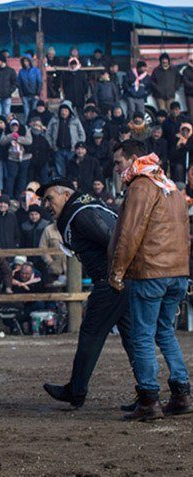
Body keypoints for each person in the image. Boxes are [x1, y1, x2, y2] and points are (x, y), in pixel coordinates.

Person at [109, 139, 191, 420]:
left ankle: (148, 399)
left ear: (133, 159)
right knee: (165, 331)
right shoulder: (171, 186)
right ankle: (181, 393)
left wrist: (117, 271)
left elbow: (130, 233)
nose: (116, 169)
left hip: (150, 272)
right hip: (177, 272)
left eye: (119, 162)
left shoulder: (141, 186)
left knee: (142, 335)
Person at [37, 179, 131, 408]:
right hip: (123, 280)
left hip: (111, 282)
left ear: (66, 195)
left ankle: (76, 391)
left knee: (91, 333)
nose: (46, 205)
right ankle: (149, 394)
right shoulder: (87, 208)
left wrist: (115, 276)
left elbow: (113, 239)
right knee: (132, 337)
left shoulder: (80, 214)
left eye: (49, 198)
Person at [46, 101, 85, 179]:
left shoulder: (75, 120)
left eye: (66, 111)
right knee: (60, 171)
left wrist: (78, 146)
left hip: (71, 150)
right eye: (62, 110)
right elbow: (48, 133)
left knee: (71, 169)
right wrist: (51, 144)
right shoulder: (54, 119)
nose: (64, 112)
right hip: (58, 149)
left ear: (69, 111)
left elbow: (82, 134)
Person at [1, 118, 32, 198]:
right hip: (12, 158)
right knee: (11, 177)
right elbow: (2, 141)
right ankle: (9, 196)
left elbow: (29, 141)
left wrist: (18, 138)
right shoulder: (6, 130)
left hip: (25, 157)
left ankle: (20, 196)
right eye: (12, 126)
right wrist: (11, 136)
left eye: (16, 126)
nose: (14, 127)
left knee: (22, 177)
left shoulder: (24, 129)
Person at [0, 51, 17, 118]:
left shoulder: (11, 71)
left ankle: (6, 125)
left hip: (7, 97)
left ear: (2, 61)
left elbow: (15, 83)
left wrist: (9, 91)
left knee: (7, 114)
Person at [27, 117, 52, 184]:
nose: (36, 128)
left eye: (38, 126)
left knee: (44, 181)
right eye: (35, 125)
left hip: (43, 163)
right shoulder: (28, 137)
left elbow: (48, 150)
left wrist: (46, 159)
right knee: (30, 182)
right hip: (31, 163)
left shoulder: (44, 138)